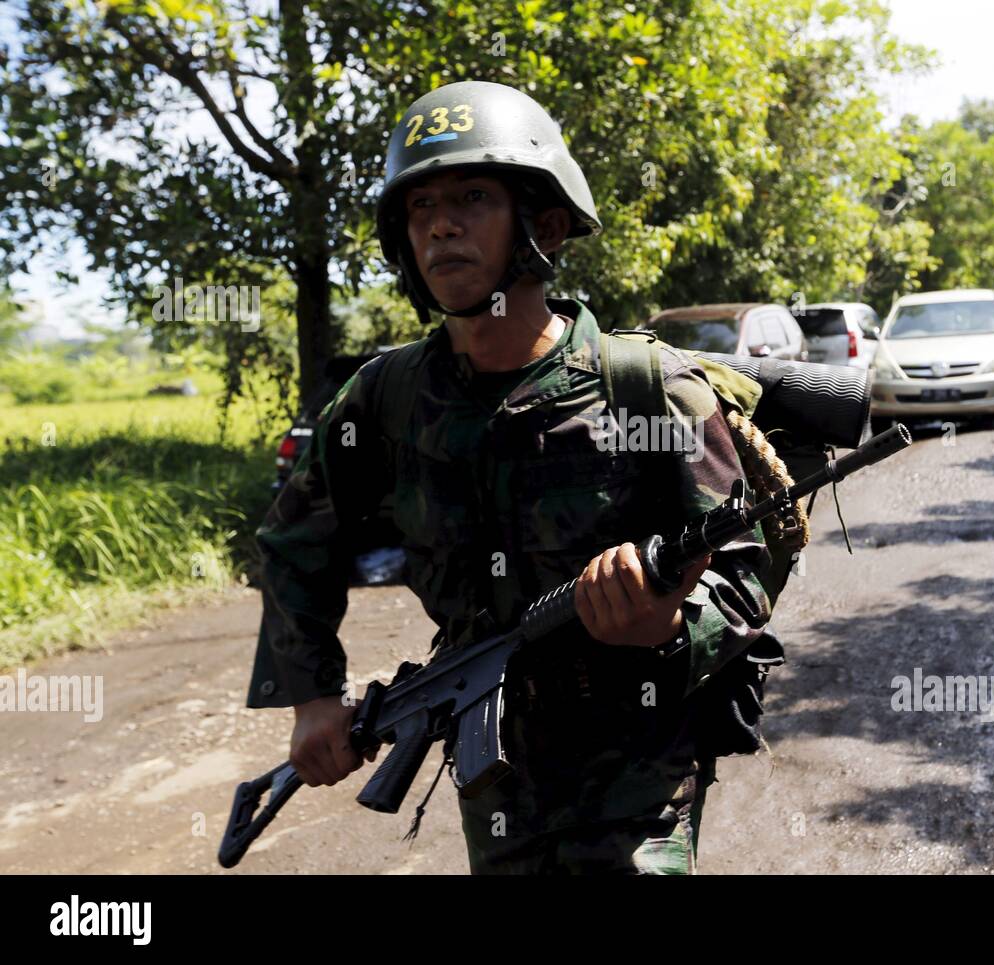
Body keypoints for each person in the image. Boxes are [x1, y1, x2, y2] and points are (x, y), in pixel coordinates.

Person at [243, 80, 773, 874]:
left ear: (545, 225)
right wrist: (314, 695)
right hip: (490, 778)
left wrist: (667, 623)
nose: (442, 224)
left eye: (473, 197)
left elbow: (745, 571)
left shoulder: (646, 386)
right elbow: (292, 544)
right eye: (420, 208)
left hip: (637, 773)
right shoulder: (388, 399)